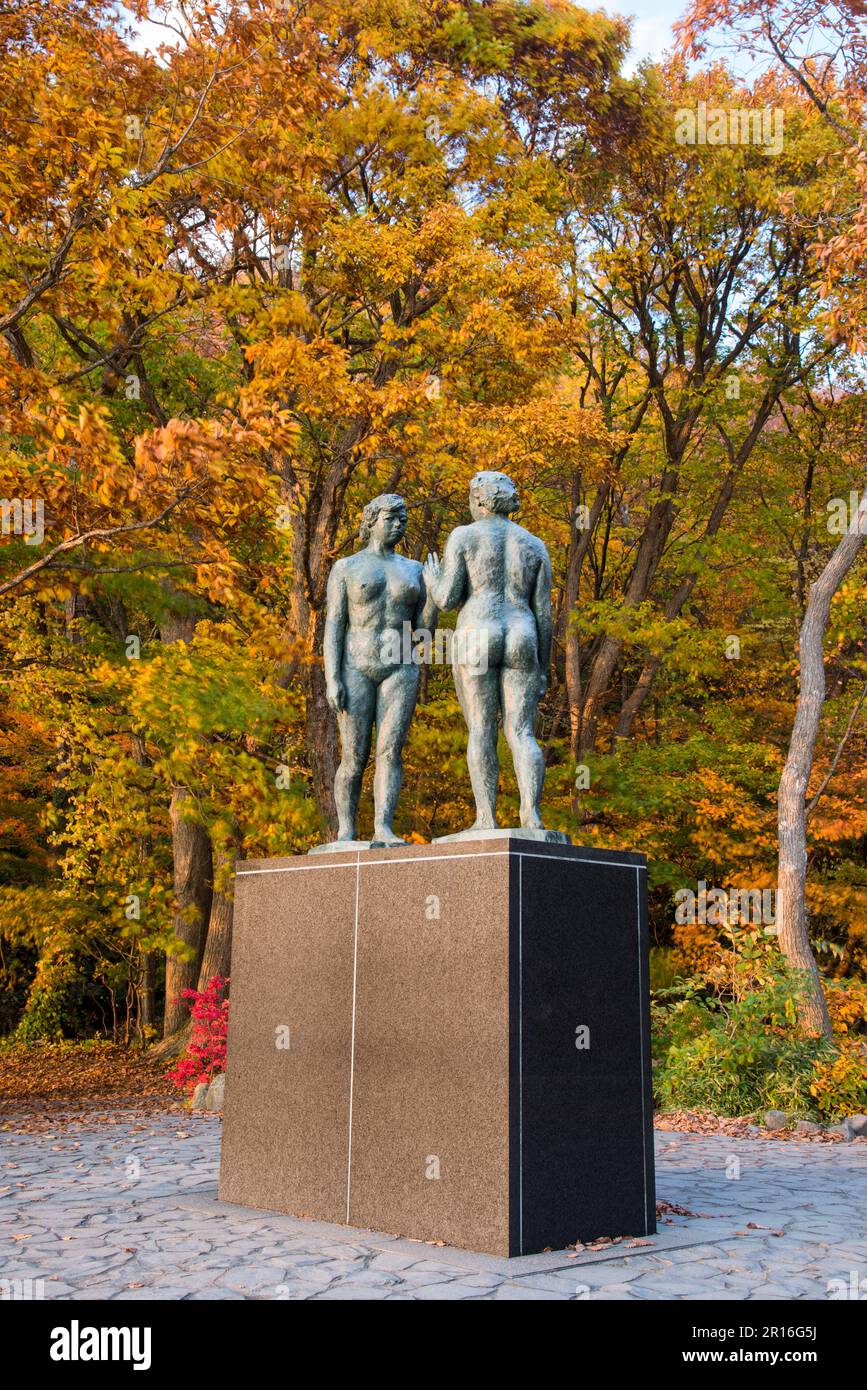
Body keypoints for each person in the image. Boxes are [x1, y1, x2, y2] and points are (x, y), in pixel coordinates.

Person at [426, 470, 553, 832]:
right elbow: (544, 614)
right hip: (521, 632)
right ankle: (531, 814)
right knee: (521, 731)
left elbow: (448, 599)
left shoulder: (464, 536)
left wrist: (432, 579)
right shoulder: (533, 544)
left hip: (478, 631)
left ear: (479, 501)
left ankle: (486, 819)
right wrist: (543, 667)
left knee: (481, 729)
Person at [323, 493, 436, 846]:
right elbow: (334, 625)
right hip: (356, 665)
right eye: (391, 518)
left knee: (390, 750)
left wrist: (432, 594)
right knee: (354, 756)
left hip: (400, 666)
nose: (398, 525)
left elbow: (423, 633)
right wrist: (332, 677)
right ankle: (346, 830)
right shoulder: (346, 567)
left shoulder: (413, 569)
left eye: (402, 519)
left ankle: (383, 826)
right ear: (371, 521)